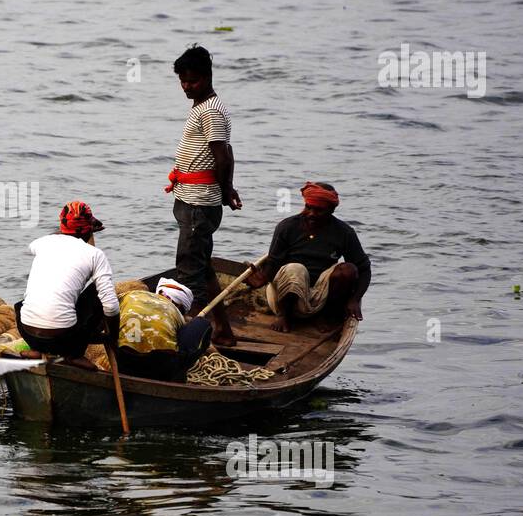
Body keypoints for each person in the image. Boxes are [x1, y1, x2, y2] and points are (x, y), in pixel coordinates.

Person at [165, 44, 240, 347]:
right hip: (190, 199)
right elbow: (225, 153)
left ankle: (194, 345)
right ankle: (223, 329)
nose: (186, 87)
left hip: (199, 203)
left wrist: (226, 190)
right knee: (203, 265)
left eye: (192, 81)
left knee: (189, 275)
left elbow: (223, 155)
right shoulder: (201, 106)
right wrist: (227, 189)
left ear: (207, 76)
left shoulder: (210, 111)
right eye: (182, 81)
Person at [246, 182, 371, 332]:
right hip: (284, 297)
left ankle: (324, 316)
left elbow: (364, 269)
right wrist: (262, 278)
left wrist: (354, 300)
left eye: (318, 210)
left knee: (348, 270)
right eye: (308, 207)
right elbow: (273, 263)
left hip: (319, 297)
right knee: (296, 269)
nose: (311, 213)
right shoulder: (287, 227)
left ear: (331, 210)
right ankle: (284, 317)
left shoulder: (344, 232)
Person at [16, 201, 119, 371]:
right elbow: (111, 307)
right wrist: (112, 337)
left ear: (62, 227)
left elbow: (35, 245)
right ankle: (75, 355)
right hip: (64, 338)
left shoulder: (42, 243)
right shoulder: (95, 254)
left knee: (26, 301)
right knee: (96, 293)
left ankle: (37, 350)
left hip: (27, 331)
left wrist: (69, 230)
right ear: (88, 230)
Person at [115, 277, 213, 381]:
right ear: (180, 306)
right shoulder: (177, 313)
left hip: (122, 361)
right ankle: (179, 376)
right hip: (161, 370)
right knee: (202, 323)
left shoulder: (129, 296)